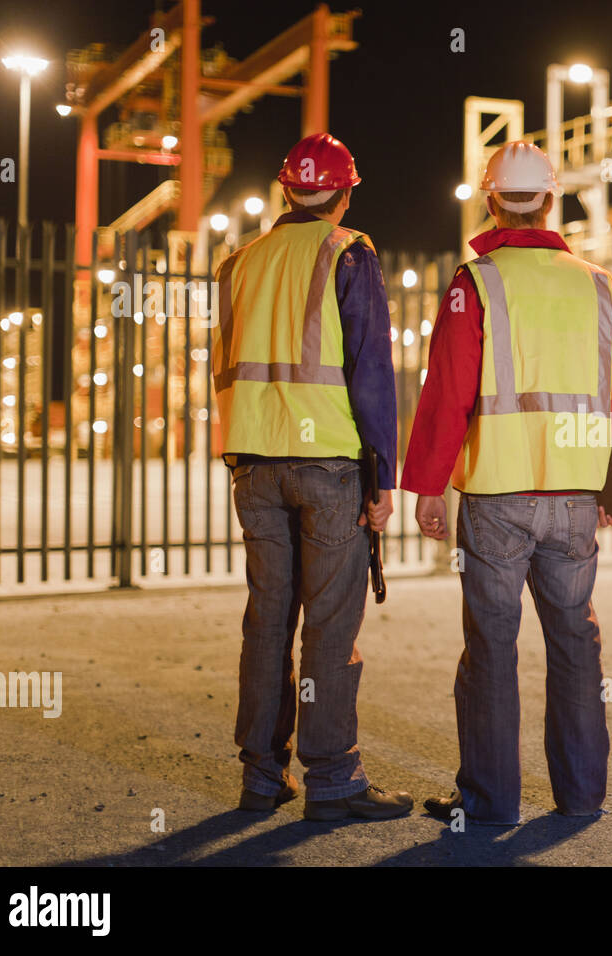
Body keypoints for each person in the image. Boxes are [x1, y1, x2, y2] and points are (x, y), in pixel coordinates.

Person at [400, 141, 612, 826]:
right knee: (576, 644)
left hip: (498, 495)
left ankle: (491, 802)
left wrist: (428, 485)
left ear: (489, 198)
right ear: (552, 199)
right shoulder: (597, 283)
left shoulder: (478, 282)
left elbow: (448, 393)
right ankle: (582, 795)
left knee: (492, 647)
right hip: (576, 494)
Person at [212, 132, 412, 822]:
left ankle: (261, 776)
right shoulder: (347, 251)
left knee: (267, 619)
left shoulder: (238, 262)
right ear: (345, 192)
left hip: (254, 464)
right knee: (328, 624)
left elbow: (225, 363)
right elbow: (371, 370)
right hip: (328, 464)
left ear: (283, 190)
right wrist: (381, 473)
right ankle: (332, 780)